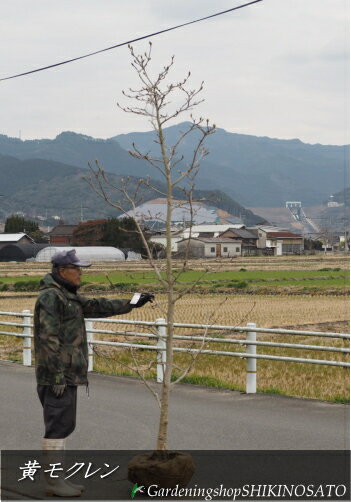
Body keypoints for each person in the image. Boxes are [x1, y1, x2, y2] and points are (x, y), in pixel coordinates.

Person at [34, 249, 154, 497]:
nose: (80, 273)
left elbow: (98, 306)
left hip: (67, 373)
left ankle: (58, 479)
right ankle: (54, 482)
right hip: (58, 375)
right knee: (58, 426)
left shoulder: (68, 296)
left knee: (64, 425)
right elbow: (48, 337)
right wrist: (57, 373)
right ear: (61, 271)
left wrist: (132, 302)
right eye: (76, 269)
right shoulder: (51, 297)